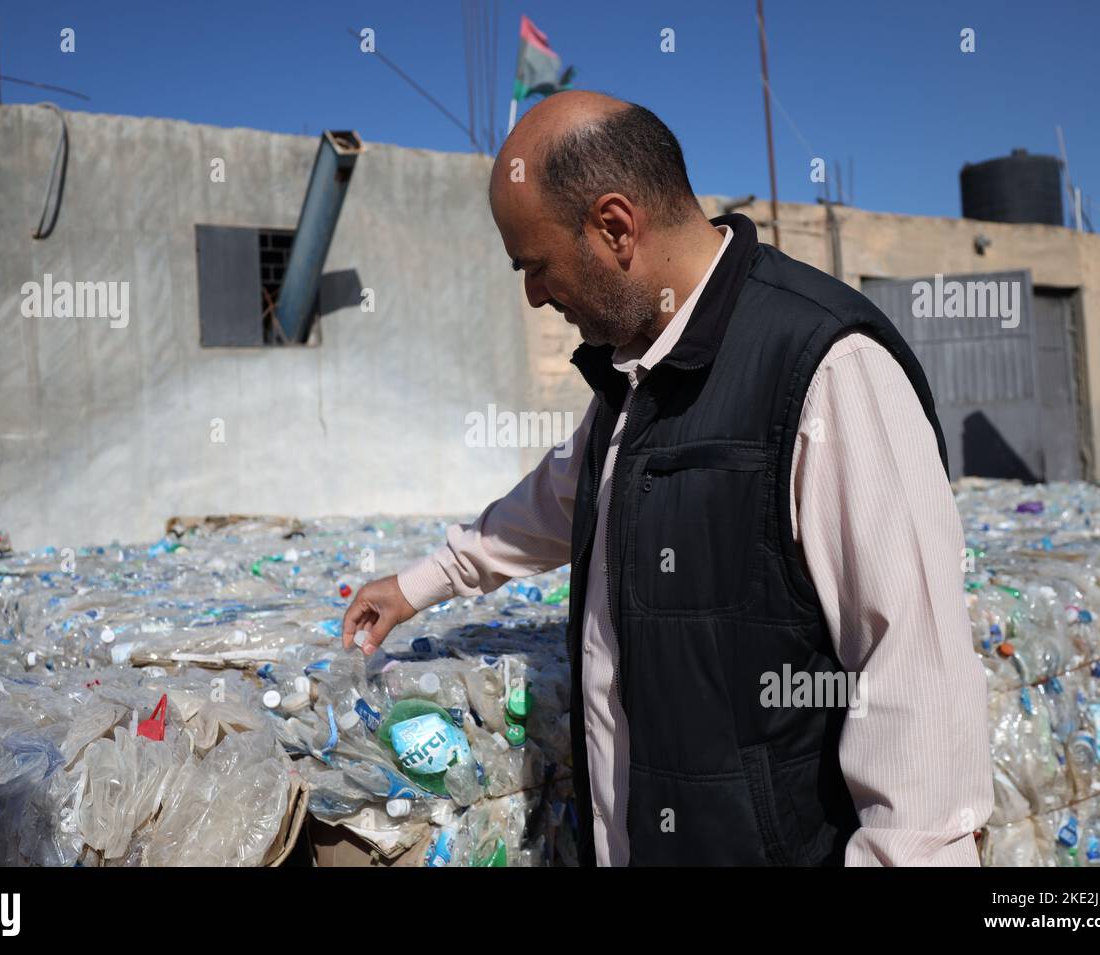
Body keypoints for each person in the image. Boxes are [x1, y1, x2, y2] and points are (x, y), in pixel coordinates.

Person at [342, 90, 993, 866]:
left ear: (615, 227)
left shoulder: (826, 368)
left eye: (536, 265)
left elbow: (914, 679)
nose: (535, 294)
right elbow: (564, 498)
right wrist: (423, 582)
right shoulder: (639, 371)